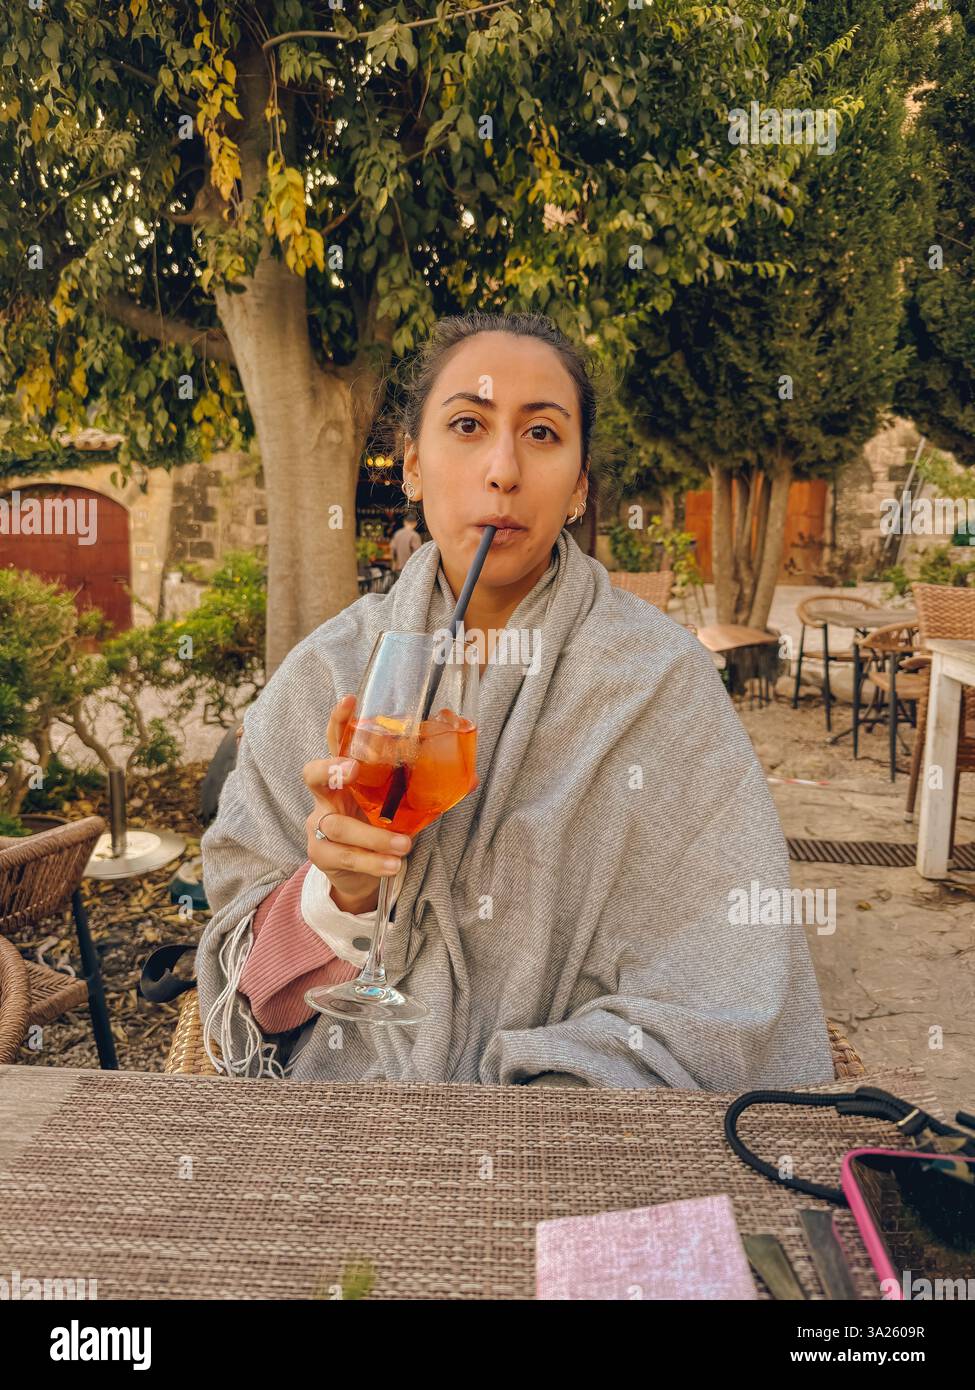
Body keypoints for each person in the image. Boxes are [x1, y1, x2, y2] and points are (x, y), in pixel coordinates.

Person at [197, 310, 836, 1088]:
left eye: (541, 435)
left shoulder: (660, 683)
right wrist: (340, 895)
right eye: (467, 424)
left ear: (578, 486)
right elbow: (250, 998)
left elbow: (727, 988)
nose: (502, 469)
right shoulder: (328, 672)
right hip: (347, 1129)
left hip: (579, 1139)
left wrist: (538, 1112)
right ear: (411, 467)